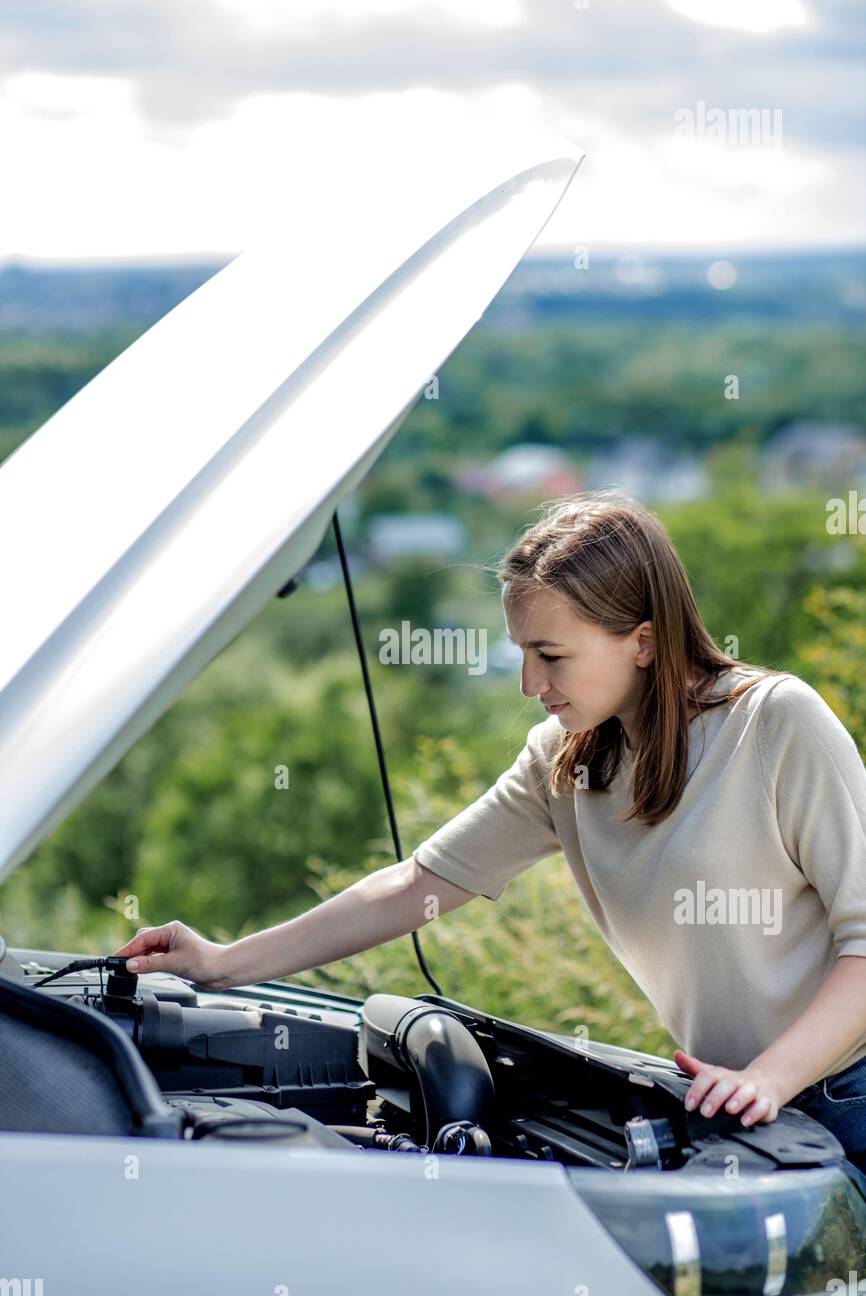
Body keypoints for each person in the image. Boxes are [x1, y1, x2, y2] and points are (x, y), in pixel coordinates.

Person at [115, 490, 866, 1174]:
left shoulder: (774, 724)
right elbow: (413, 887)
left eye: (552, 656)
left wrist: (769, 1079)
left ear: (641, 640)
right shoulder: (564, 763)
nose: (530, 686)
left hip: (841, 1100)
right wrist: (222, 965)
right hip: (735, 1112)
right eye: (521, 654)